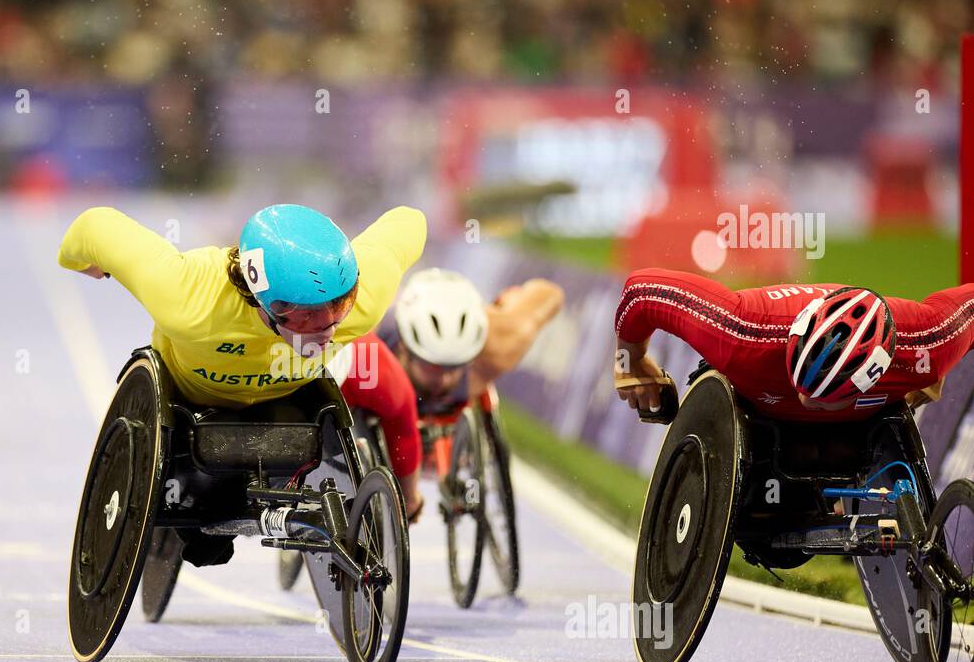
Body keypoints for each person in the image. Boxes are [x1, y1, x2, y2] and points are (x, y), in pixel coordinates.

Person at [59, 202, 426, 563]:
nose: (326, 328)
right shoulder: (187, 297)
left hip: (286, 400)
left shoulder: (365, 298)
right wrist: (77, 260)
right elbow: (95, 225)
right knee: (205, 526)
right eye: (305, 316)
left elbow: (410, 221)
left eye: (339, 305)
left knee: (244, 491)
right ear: (262, 301)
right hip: (190, 404)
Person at [611, 268, 974, 421]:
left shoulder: (931, 341)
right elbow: (641, 292)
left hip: (869, 416)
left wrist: (921, 374)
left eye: (824, 395)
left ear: (875, 373)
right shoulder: (743, 329)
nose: (806, 399)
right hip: (757, 399)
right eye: (803, 383)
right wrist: (630, 362)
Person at [385, 268, 565, 417]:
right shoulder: (369, 344)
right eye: (433, 367)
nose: (444, 380)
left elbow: (550, 295)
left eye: (454, 367)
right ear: (404, 346)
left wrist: (513, 301)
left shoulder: (498, 346)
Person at [327, 333, 424, 520]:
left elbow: (404, 427)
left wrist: (409, 497)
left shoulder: (368, 364)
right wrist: (410, 500)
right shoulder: (369, 364)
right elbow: (405, 429)